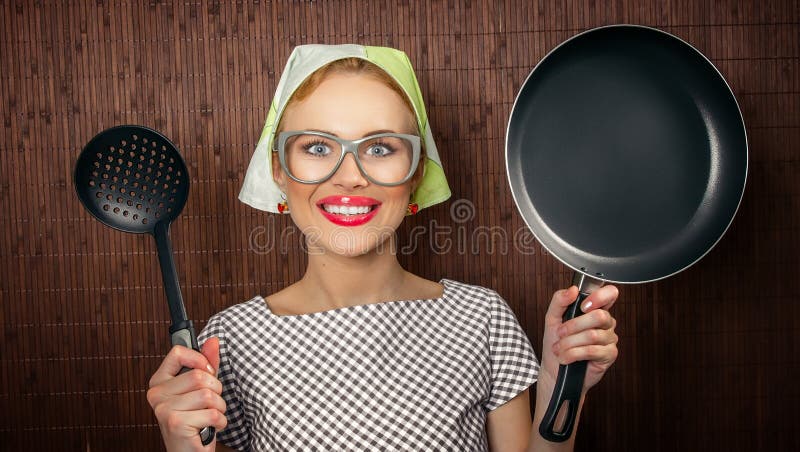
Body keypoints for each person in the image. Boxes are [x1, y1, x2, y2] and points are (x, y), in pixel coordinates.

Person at [146, 44, 619, 452]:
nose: (350, 175)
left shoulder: (483, 320)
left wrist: (562, 386)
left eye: (380, 148)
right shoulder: (227, 342)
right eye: (315, 147)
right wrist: (182, 444)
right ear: (277, 170)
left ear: (416, 172)